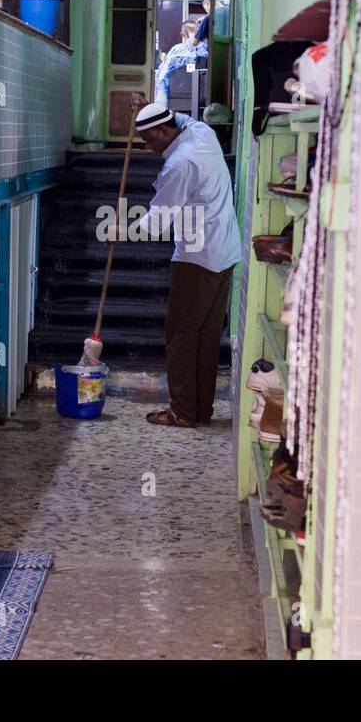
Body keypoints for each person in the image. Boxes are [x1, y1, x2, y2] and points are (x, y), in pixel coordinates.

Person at [133, 102, 242, 427]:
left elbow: (156, 223)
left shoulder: (180, 164)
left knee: (181, 335)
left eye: (149, 139)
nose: (149, 148)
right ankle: (200, 410)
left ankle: (182, 411)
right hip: (224, 250)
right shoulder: (202, 132)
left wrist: (120, 231)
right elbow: (178, 118)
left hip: (197, 257)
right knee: (205, 336)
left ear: (163, 130)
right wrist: (145, 110)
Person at [153, 21, 209, 105]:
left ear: (182, 33)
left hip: (176, 91)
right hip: (201, 92)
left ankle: (161, 108)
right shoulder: (205, 50)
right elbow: (192, 66)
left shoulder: (176, 50)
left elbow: (163, 74)